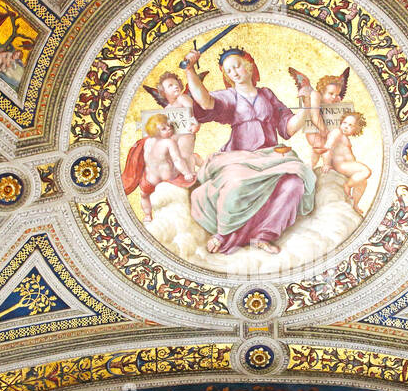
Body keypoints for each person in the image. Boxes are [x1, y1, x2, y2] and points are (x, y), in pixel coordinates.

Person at [183, 47, 317, 255]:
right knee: (237, 184)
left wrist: (307, 106)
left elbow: (288, 127)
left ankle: (263, 236)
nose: (234, 72)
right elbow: (205, 102)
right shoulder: (229, 96)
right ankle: (224, 233)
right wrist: (190, 70)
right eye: (229, 70)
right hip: (238, 158)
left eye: (237, 66)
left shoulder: (267, 94)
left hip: (271, 156)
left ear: (249, 66)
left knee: (294, 184)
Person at [122, 113, 198, 221]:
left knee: (144, 195)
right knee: (189, 161)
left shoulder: (146, 142)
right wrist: (186, 173)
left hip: (150, 179)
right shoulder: (168, 142)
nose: (169, 128)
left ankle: (148, 215)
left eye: (169, 126)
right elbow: (177, 160)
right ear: (155, 131)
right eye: (164, 128)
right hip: (167, 178)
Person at [322, 112, 372, 211]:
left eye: (350, 125)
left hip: (348, 166)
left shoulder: (345, 137)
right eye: (344, 123)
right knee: (366, 171)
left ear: (355, 129)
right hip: (341, 165)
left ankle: (355, 205)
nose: (346, 126)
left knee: (363, 182)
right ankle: (347, 186)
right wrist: (326, 164)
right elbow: (327, 147)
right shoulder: (337, 133)